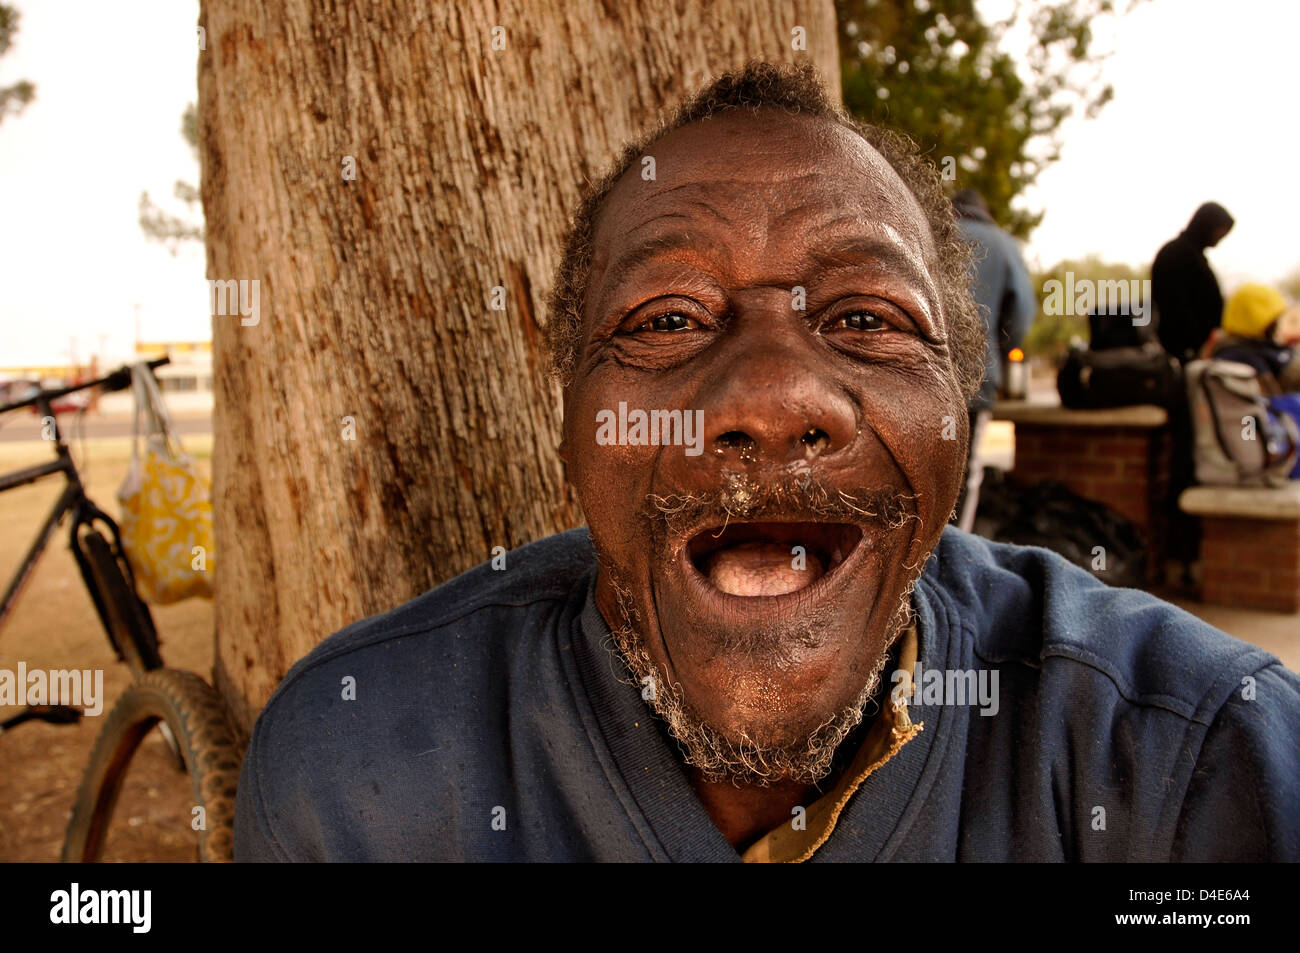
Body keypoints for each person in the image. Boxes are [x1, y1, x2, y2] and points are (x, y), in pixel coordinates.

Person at [234, 62, 1299, 862]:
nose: (771, 395)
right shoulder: (358, 767)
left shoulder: (1192, 764)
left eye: (865, 317)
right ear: (568, 419)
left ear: (954, 407)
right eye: (666, 318)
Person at [949, 189, 1035, 531]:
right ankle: (950, 559)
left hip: (914, 372)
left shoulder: (926, 232)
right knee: (965, 470)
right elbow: (1022, 313)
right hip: (975, 375)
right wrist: (998, 348)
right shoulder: (1004, 246)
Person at [1152, 202, 1235, 362]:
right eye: (1221, 231)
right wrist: (1195, 342)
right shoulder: (1177, 254)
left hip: (1196, 346)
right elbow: (1174, 304)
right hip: (1184, 349)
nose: (1221, 238)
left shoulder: (1192, 254)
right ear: (1208, 225)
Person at [1206, 283, 1300, 395]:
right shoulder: (1244, 355)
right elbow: (1273, 396)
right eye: (1275, 319)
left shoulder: (1235, 347)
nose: (1277, 325)